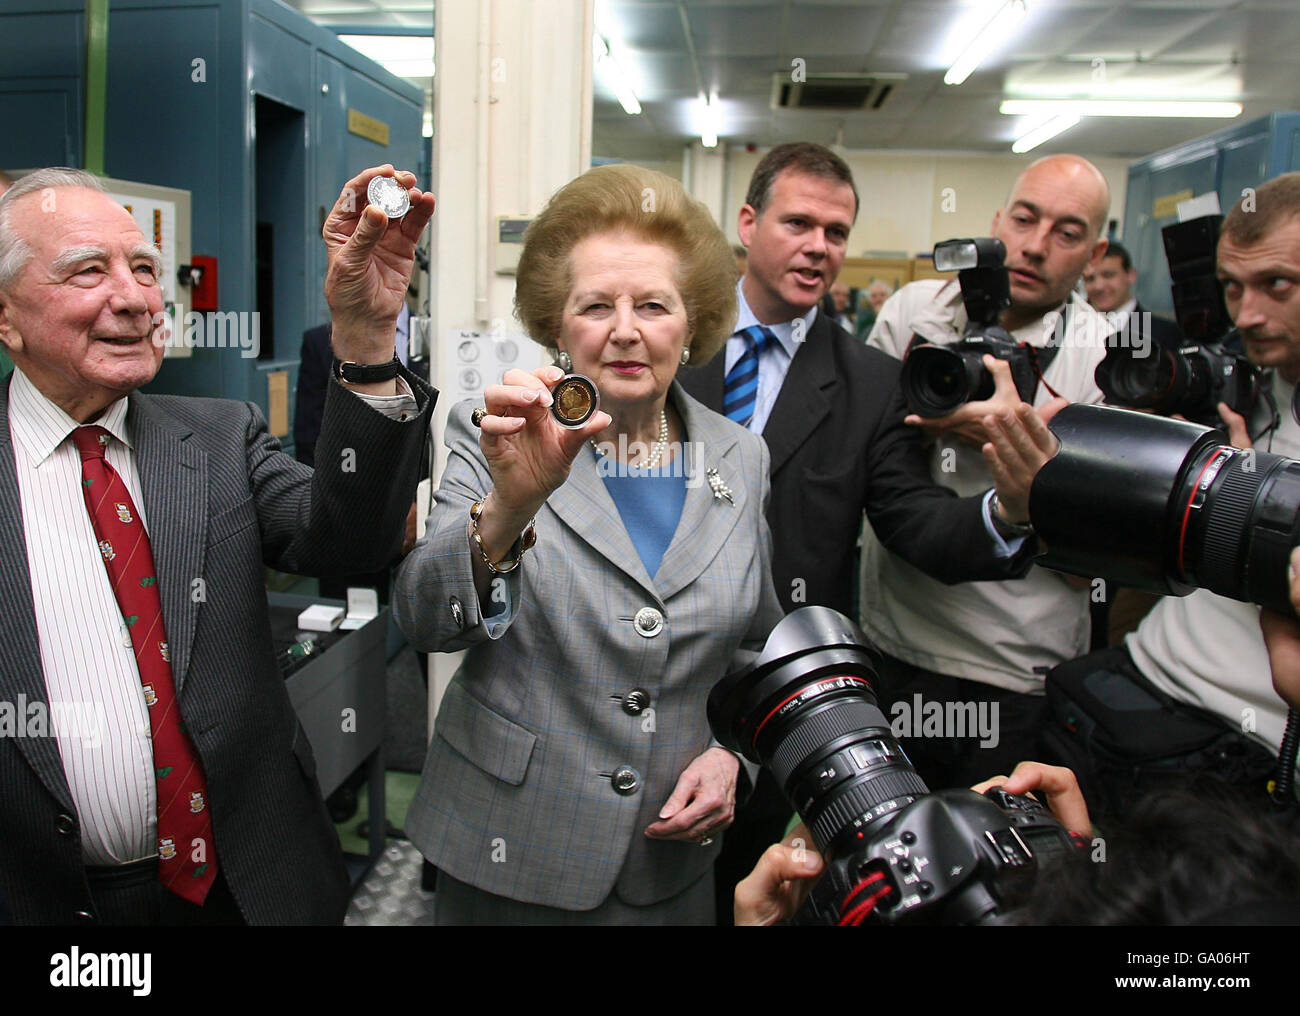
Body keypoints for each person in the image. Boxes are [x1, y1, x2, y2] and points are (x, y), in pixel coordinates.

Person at [0, 165, 436, 925]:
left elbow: (351, 540)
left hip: (250, 889)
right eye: (88, 272)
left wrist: (364, 336)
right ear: (6, 316)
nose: (135, 298)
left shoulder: (216, 437)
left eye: (144, 269)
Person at [678, 141, 1059, 920]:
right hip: (650, 662)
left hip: (769, 691)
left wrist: (1010, 510)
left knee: (739, 889)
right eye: (798, 223)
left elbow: (916, 524)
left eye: (837, 232)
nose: (819, 247)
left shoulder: (869, 382)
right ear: (748, 224)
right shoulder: (669, 341)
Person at [394, 164, 783, 924]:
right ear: (557, 323)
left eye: (654, 305)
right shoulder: (496, 432)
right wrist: (510, 504)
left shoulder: (742, 457)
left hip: (668, 860)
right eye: (597, 305)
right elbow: (425, 620)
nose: (627, 329)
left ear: (693, 320)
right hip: (510, 850)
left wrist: (732, 755)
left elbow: (756, 651)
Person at [1037, 172, 1300, 821]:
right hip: (1138, 679)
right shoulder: (1245, 380)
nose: (1249, 314)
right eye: (1234, 287)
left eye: (1277, 286)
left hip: (1241, 744)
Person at [862, 153, 1116, 789]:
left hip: (1014, 667)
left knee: (990, 855)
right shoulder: (914, 313)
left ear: (1095, 253)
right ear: (997, 220)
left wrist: (1026, 454)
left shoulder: (1107, 357)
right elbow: (868, 464)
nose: (1033, 247)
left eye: (1067, 232)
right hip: (893, 639)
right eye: (1025, 219)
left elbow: (1105, 554)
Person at [1083, 239, 1184, 352]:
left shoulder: (1165, 333)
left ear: (1131, 275)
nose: (1098, 286)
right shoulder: (1075, 331)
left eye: (1108, 275)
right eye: (1090, 279)